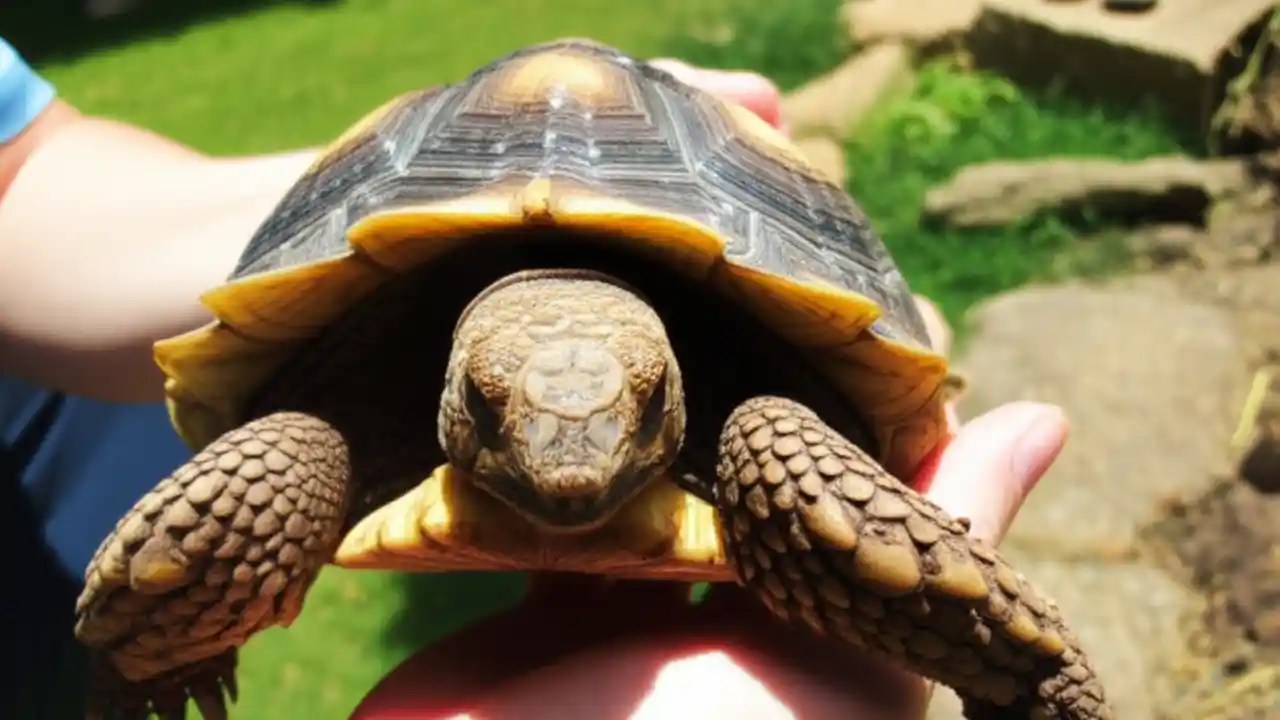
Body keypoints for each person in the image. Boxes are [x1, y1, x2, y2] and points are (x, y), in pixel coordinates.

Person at [0, 35, 1068, 720]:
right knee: (286, 460)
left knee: (783, 455)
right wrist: (156, 654)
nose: (570, 471)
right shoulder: (331, 424)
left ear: (666, 386)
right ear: (462, 381)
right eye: (498, 413)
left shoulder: (757, 426)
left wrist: (1013, 671)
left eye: (640, 407)